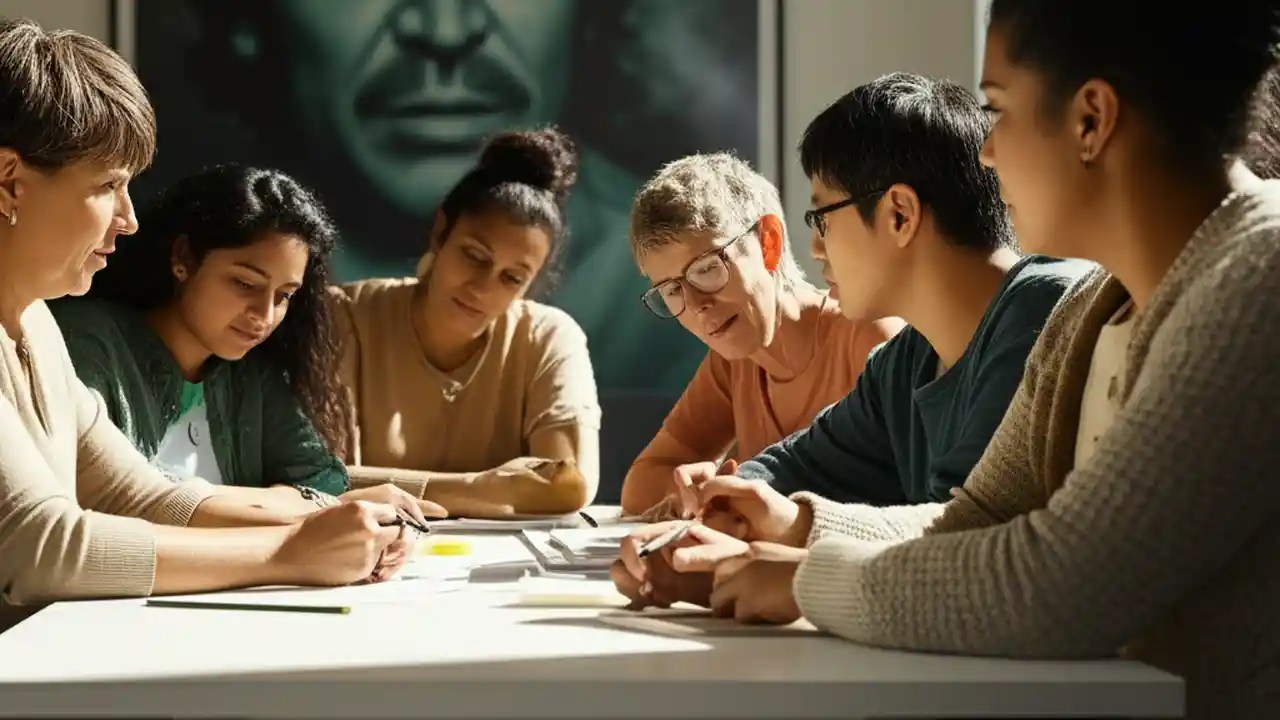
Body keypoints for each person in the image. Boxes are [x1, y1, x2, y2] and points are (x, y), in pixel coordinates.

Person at [620, 3, 1280, 717]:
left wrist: (803, 579)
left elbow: (1063, 580)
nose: (986, 153)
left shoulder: (1257, 274)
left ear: (1090, 119)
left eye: (997, 110)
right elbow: (980, 518)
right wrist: (793, 531)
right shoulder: (1092, 307)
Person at [0, 19, 411, 627]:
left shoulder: (35, 323)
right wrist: (288, 552)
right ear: (10, 182)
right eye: (108, 185)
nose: (129, 219)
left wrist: (325, 516)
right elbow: (40, 548)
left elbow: (139, 494)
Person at [666, 74, 1091, 518]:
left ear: (899, 215)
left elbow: (963, 534)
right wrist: (726, 495)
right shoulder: (903, 364)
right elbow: (796, 465)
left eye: (822, 217)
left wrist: (793, 531)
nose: (815, 247)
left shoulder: (1043, 317)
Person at [50, 163, 442, 521]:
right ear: (183, 257)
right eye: (245, 284)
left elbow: (321, 480)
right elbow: (125, 500)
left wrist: (318, 504)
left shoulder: (249, 374)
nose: (265, 315)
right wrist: (307, 508)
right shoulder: (88, 341)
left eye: (285, 295)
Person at [332, 128, 601, 517]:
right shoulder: (346, 317)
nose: (482, 288)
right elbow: (315, 480)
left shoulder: (548, 337)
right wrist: (481, 489)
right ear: (441, 232)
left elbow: (568, 488)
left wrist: (396, 489)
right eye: (475, 256)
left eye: (512, 278)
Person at [620, 153, 902, 514]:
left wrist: (741, 491)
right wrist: (696, 490)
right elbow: (641, 483)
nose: (695, 305)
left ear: (768, 242)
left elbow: (911, 500)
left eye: (706, 269)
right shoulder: (731, 362)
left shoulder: (868, 337)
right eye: (671, 291)